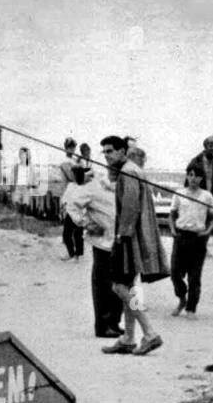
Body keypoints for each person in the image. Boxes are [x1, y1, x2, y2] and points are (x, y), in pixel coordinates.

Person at [101, 135, 168, 355]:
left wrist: (122, 236)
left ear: (122, 151)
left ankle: (149, 333)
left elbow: (130, 207)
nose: (107, 156)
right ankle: (129, 338)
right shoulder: (131, 169)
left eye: (110, 151)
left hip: (129, 238)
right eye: (105, 152)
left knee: (119, 287)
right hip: (134, 237)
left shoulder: (128, 171)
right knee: (129, 288)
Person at [63, 157, 124, 338]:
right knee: (103, 288)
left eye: (118, 168)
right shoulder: (95, 186)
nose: (114, 171)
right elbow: (71, 204)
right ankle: (102, 326)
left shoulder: (125, 188)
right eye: (111, 167)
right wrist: (86, 223)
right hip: (102, 244)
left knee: (118, 287)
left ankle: (114, 322)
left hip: (120, 244)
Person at [169, 164, 213, 317]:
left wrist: (207, 232)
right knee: (175, 273)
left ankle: (191, 308)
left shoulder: (207, 196)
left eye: (197, 175)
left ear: (201, 178)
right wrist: (172, 230)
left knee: (194, 276)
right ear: (186, 176)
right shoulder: (179, 193)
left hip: (198, 239)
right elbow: (171, 215)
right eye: (190, 175)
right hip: (181, 237)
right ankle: (182, 299)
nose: (193, 178)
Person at [58, 137, 84, 259]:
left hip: (73, 196)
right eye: (69, 147)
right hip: (70, 193)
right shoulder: (66, 161)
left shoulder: (74, 161)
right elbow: (75, 177)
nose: (71, 149)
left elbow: (76, 178)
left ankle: (75, 255)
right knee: (74, 228)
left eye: (73, 147)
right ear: (65, 147)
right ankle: (75, 254)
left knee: (73, 230)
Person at [187, 136, 213, 213]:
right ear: (205, 146)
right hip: (198, 199)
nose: (212, 148)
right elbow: (188, 182)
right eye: (210, 145)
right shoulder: (196, 161)